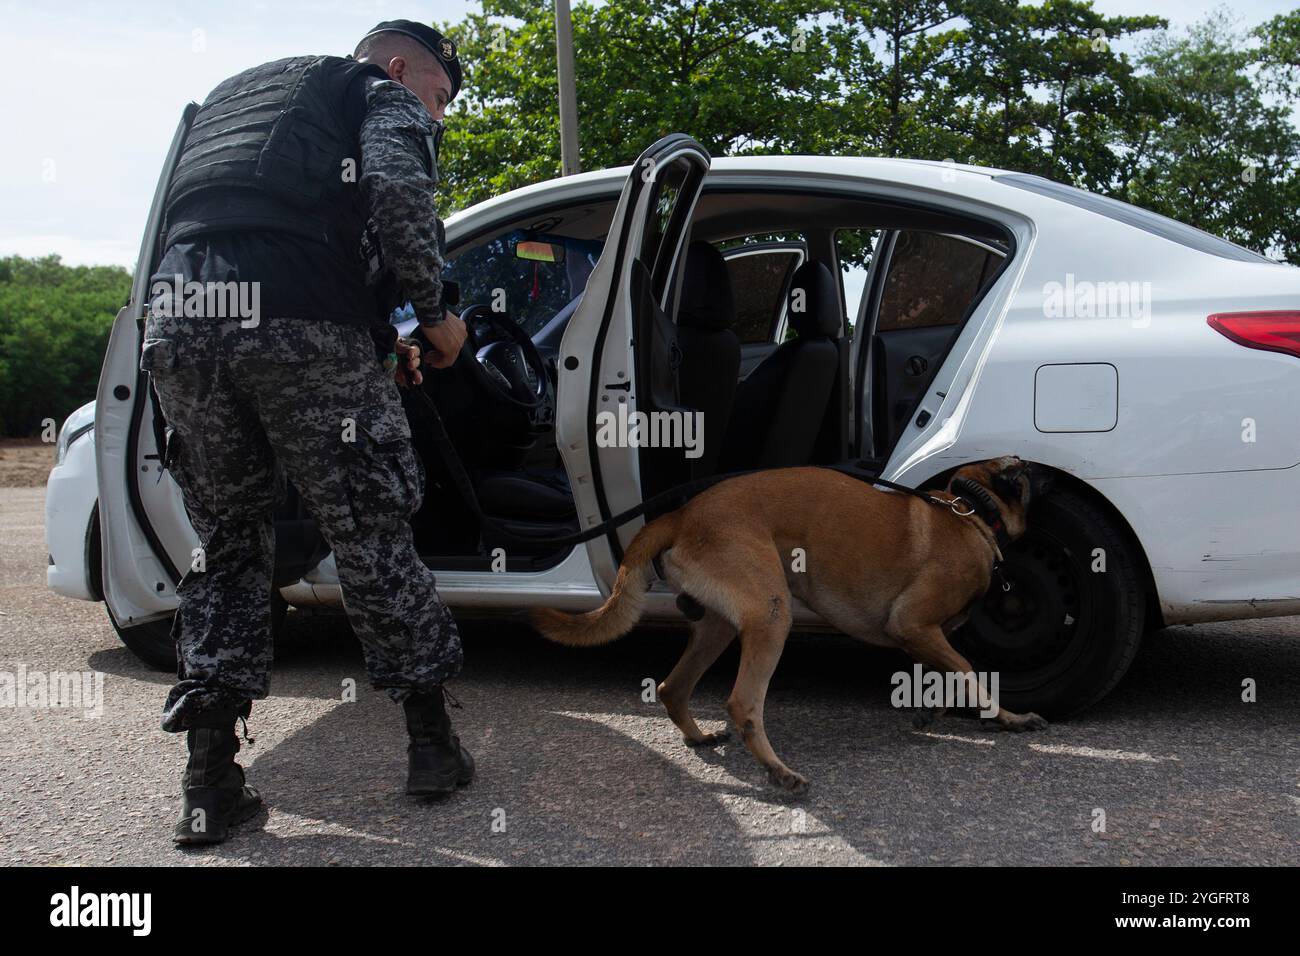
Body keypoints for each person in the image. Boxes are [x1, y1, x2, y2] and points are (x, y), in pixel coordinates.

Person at [140, 19, 473, 845]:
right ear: (402, 69)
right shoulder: (374, 92)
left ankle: (209, 783)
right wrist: (432, 315)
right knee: (367, 529)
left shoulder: (229, 103)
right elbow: (398, 196)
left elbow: (187, 227)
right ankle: (432, 749)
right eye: (437, 99)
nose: (433, 117)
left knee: (225, 543)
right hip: (299, 327)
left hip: (180, 324)